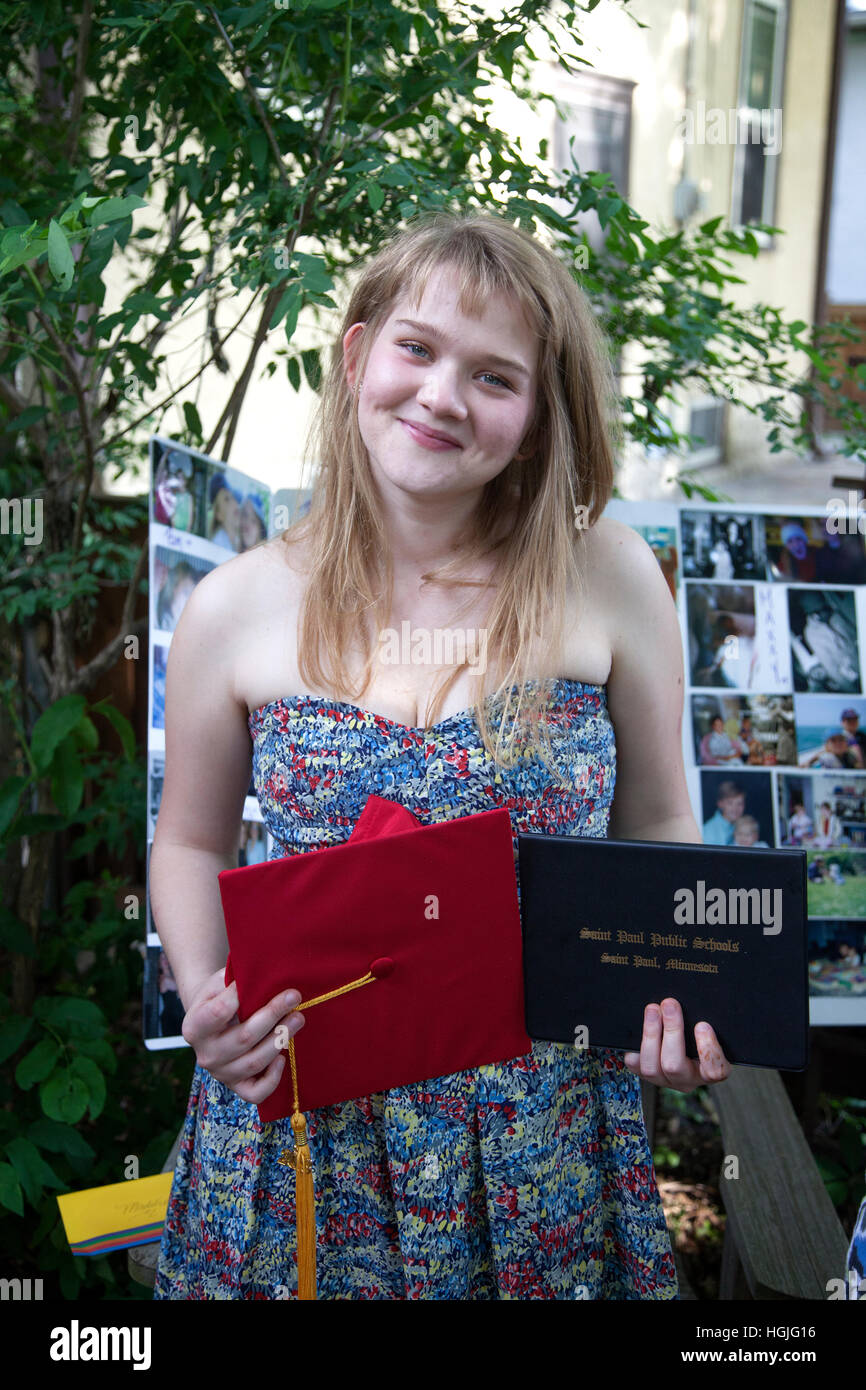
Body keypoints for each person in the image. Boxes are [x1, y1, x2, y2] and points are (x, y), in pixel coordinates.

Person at [150, 211, 731, 1302]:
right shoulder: (234, 606)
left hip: (542, 1128)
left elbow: (658, 821)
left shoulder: (606, 574)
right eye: (416, 348)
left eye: (492, 376)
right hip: (303, 1119)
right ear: (358, 355)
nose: (441, 395)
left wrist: (670, 988)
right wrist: (208, 1004)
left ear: (533, 418)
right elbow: (187, 838)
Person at [702, 780, 745, 845]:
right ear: (720, 804)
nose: (735, 808)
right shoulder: (708, 831)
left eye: (739, 803)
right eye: (730, 803)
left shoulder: (745, 825)